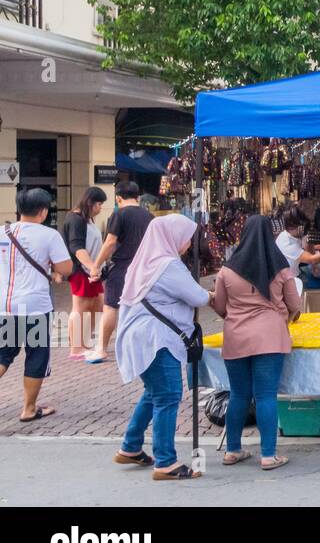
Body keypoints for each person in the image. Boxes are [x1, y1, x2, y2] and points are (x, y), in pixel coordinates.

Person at [114, 215, 211, 480]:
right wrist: (212, 295)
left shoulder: (144, 262)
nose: (189, 244)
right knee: (167, 395)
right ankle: (166, 462)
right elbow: (198, 296)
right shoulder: (168, 266)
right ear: (172, 236)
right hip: (156, 340)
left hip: (139, 337)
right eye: (186, 238)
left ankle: (131, 446)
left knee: (154, 392)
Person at [212, 215, 301, 470]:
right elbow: (295, 305)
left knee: (238, 394)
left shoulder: (227, 270)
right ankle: (268, 455)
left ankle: (232, 450)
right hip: (270, 337)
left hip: (236, 337)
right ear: (270, 235)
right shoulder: (280, 267)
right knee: (265, 395)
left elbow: (219, 306)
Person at [0, 188, 73, 422]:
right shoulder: (49, 235)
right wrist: (52, 270)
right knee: (36, 355)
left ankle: (30, 407)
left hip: (5, 305)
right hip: (35, 306)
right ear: (43, 211)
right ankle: (29, 409)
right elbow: (66, 269)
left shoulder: (1, 232)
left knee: (3, 355)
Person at [85, 182, 155, 364]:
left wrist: (96, 265)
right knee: (138, 308)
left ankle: (101, 349)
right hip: (144, 269)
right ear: (138, 197)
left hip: (122, 267)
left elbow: (109, 242)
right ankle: (140, 347)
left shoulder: (119, 214)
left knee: (110, 307)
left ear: (118, 198)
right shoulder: (149, 216)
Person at [59, 187, 108, 359]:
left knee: (97, 304)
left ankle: (84, 343)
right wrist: (92, 266)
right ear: (90, 203)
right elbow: (76, 247)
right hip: (81, 270)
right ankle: (77, 348)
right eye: (99, 204)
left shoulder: (88, 220)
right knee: (81, 306)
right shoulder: (76, 219)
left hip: (91, 270)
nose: (100, 208)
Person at [275, 207, 320, 289]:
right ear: (295, 225)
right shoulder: (286, 241)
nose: (304, 228)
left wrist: (315, 265)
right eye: (303, 224)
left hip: (297, 273)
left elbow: (309, 250)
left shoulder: (295, 236)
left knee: (314, 275)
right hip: (289, 281)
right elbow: (311, 258)